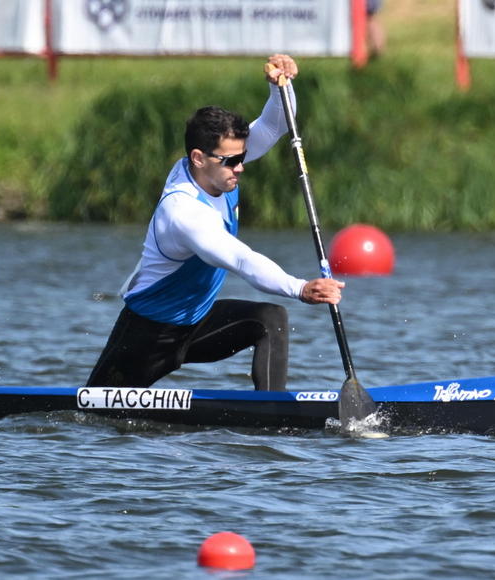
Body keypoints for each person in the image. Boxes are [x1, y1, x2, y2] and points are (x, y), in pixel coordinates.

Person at [86, 54, 344, 392]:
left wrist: (281, 86)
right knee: (93, 418)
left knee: (270, 320)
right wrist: (299, 288)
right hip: (149, 335)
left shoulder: (216, 169)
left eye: (241, 157)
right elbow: (239, 259)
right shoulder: (183, 211)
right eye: (231, 161)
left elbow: (274, 126)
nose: (241, 167)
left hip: (197, 323)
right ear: (198, 157)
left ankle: (272, 416)